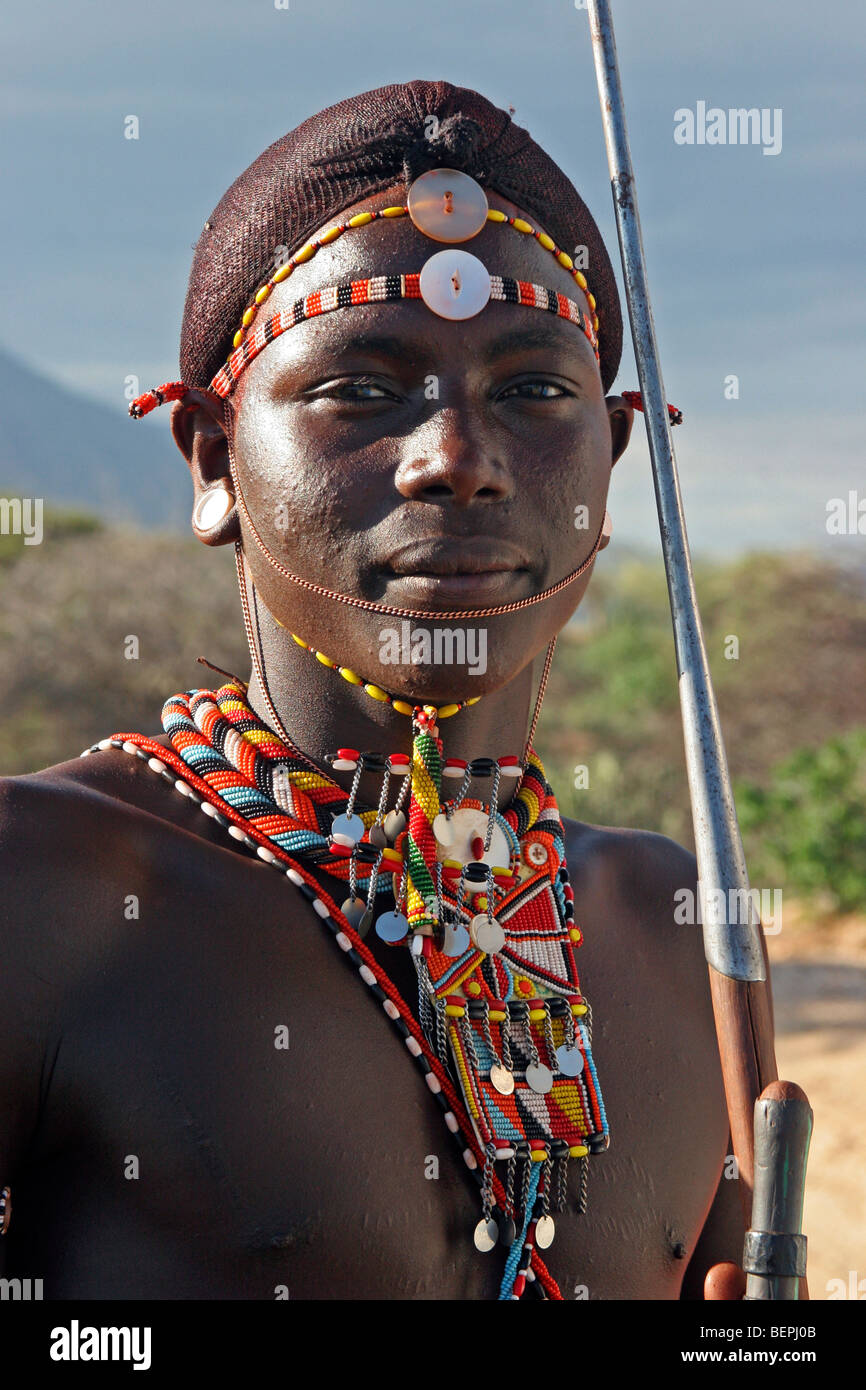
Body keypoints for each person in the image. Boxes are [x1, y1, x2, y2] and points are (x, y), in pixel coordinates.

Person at [0, 80, 747, 1300]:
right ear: (211, 459)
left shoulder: (679, 923)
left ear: (610, 463)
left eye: (531, 390)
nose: (456, 458)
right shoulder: (42, 890)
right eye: (359, 387)